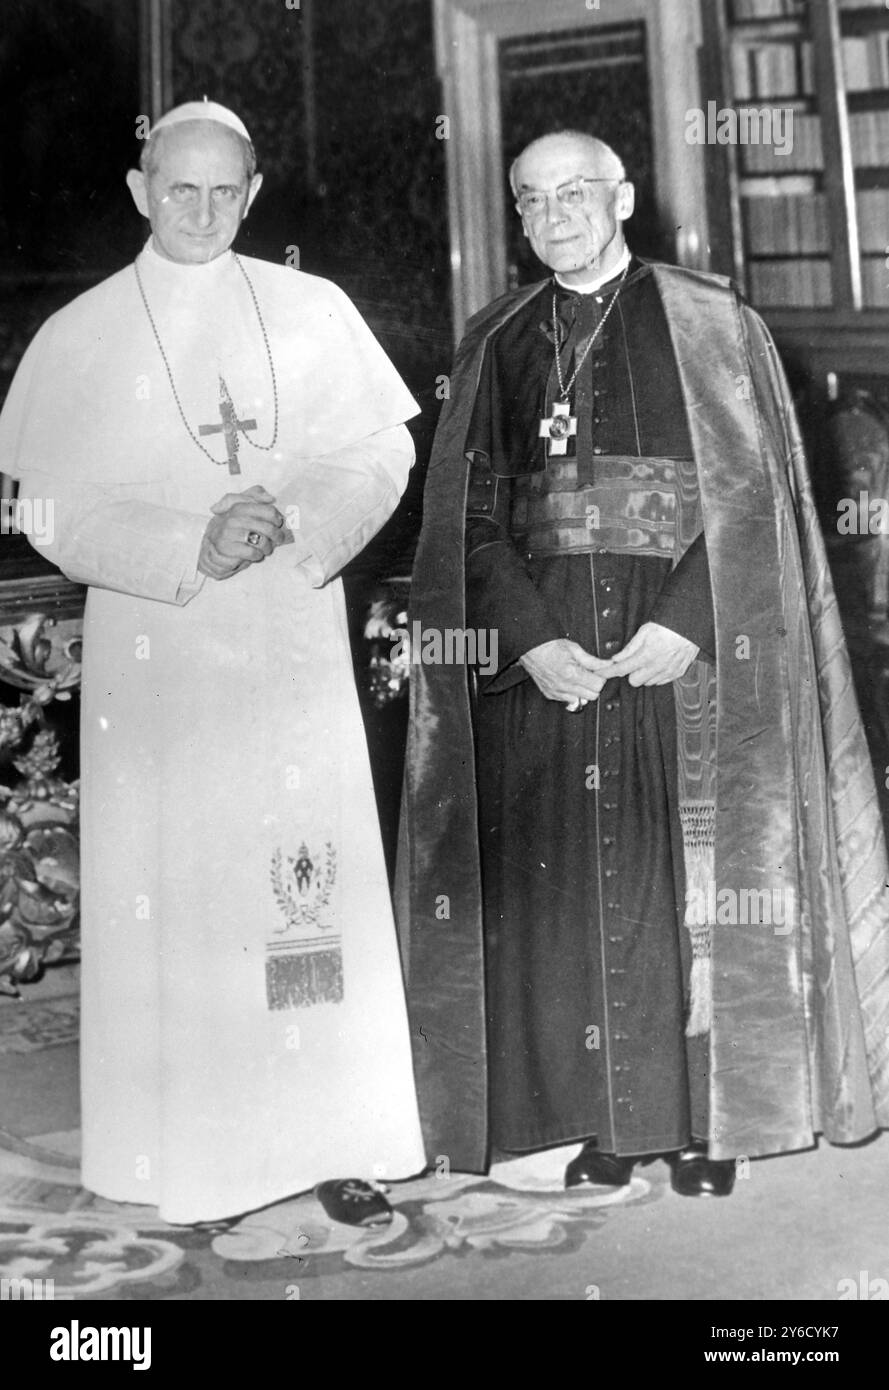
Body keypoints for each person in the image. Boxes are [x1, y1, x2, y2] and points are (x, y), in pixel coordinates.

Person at [397, 130, 889, 1197]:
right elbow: (471, 518)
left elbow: (762, 497)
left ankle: (708, 1123)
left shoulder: (713, 322)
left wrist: (688, 618)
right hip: (555, 649)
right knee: (571, 884)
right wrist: (528, 640)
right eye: (531, 200)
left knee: (697, 887)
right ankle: (601, 1120)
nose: (554, 214)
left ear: (624, 195)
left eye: (575, 192)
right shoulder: (497, 340)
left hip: (688, 651)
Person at [0, 100, 426, 1226]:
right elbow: (44, 499)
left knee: (304, 892)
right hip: (165, 647)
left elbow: (381, 445)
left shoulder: (312, 308)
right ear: (140, 191)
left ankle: (337, 1134)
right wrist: (186, 541)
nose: (201, 211)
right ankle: (192, 1151)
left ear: (253, 192)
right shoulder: (82, 332)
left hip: (288, 633)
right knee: (183, 899)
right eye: (177, 189)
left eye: (223, 191)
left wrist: (293, 517)